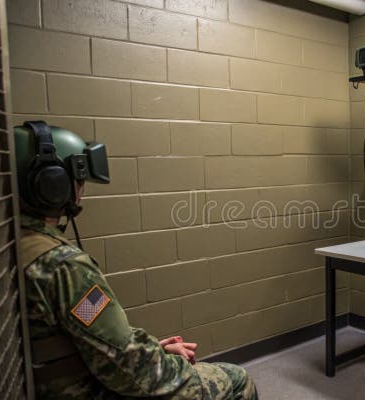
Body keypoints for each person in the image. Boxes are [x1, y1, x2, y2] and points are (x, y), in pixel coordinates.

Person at [14, 121, 258, 399]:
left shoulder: (14, 246)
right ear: (51, 184)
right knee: (237, 378)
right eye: (77, 180)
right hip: (88, 388)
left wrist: (154, 348)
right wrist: (168, 363)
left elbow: (92, 332)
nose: (81, 190)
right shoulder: (63, 266)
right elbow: (133, 371)